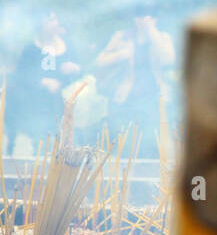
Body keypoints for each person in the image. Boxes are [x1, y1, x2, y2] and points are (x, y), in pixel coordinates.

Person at [93, 14, 176, 157]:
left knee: (153, 143)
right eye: (140, 16)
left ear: (155, 19)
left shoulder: (163, 37)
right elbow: (100, 61)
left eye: (149, 16)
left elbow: (168, 59)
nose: (143, 20)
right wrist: (121, 54)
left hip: (155, 97)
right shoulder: (122, 37)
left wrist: (151, 32)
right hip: (126, 97)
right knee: (124, 143)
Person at [5, 12, 82, 155]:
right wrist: (42, 81)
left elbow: (81, 69)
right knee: (42, 135)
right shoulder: (31, 49)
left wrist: (74, 68)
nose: (55, 23)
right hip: (38, 101)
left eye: (55, 19)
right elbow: (22, 75)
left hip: (66, 99)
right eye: (50, 20)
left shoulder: (68, 44)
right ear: (41, 25)